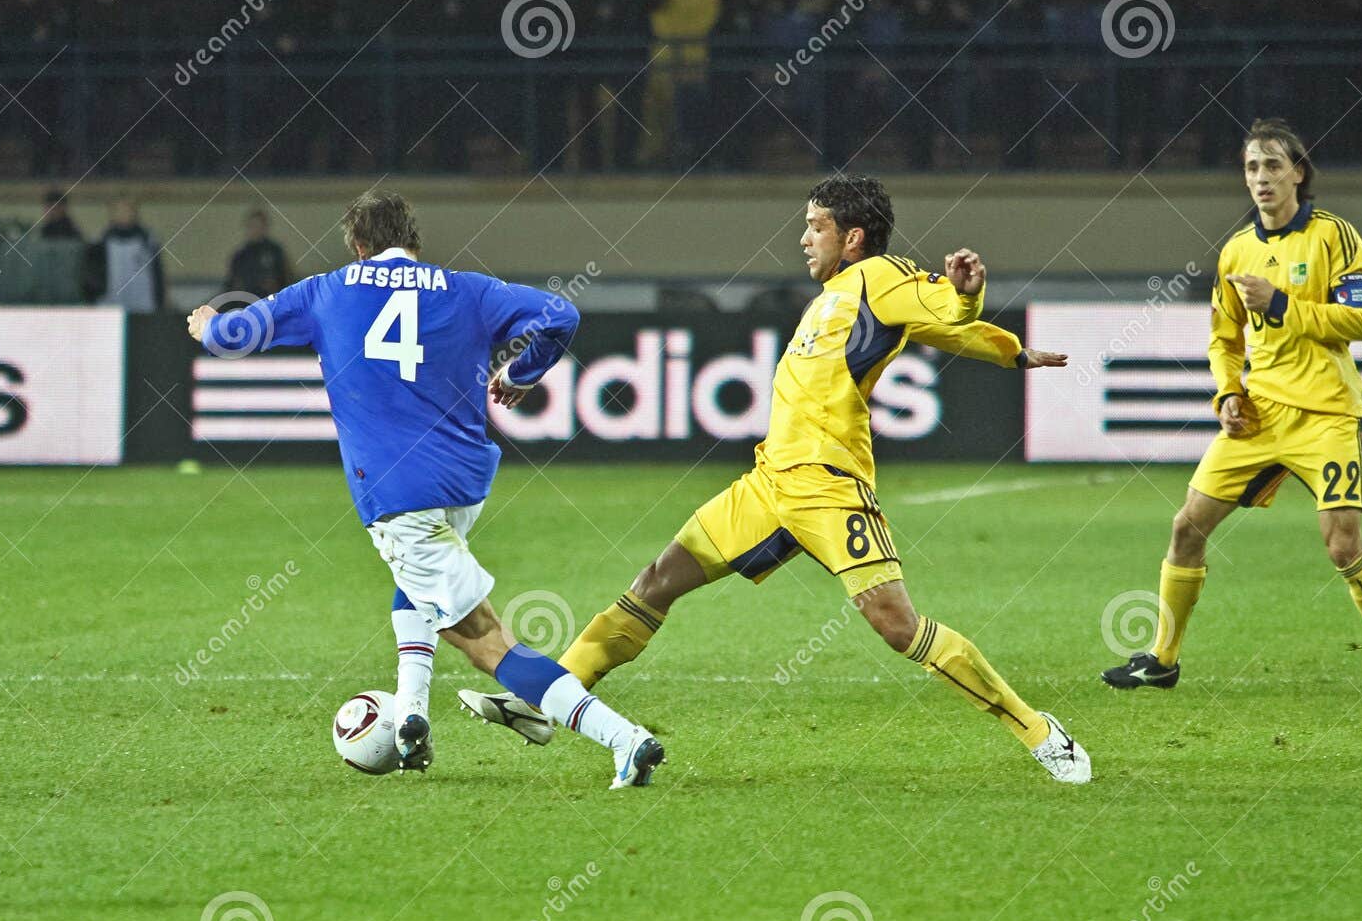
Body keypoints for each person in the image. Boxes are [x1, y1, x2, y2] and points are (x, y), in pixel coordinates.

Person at [463, 175, 1091, 785]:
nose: (804, 239)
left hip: (828, 485)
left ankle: (1039, 731)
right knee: (655, 582)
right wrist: (1011, 350)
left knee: (898, 626)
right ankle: (545, 704)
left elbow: (947, 309)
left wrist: (969, 296)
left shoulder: (883, 275)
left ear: (853, 236)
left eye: (816, 227)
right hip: (767, 484)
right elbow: (946, 332)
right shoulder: (838, 294)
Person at [184, 190, 665, 788]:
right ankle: (411, 715)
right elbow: (561, 315)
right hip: (464, 482)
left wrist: (207, 325)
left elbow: (233, 335)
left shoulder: (327, 291)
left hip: (397, 492)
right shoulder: (467, 290)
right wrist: (521, 371)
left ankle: (624, 739)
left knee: (486, 642)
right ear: (413, 240)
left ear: (358, 246)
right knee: (415, 584)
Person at [1101, 118, 1362, 695]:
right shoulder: (1236, 251)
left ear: (1299, 173)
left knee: (1343, 545)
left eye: (1273, 165)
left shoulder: (1334, 236)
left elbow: (1358, 321)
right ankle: (1163, 659)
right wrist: (1227, 392)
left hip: (1326, 416)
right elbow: (1224, 339)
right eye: (1252, 167)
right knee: (1186, 528)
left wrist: (1280, 303)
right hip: (1260, 417)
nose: (1261, 177)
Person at [98, 198, 165, 313]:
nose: (124, 215)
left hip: (142, 303)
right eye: (119, 211)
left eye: (127, 211)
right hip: (112, 301)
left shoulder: (147, 240)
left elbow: (157, 271)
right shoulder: (104, 241)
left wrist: (161, 299)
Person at [224, 209, 291, 299]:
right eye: (252, 226)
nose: (256, 230)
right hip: (245, 301)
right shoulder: (240, 255)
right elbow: (232, 283)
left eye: (259, 226)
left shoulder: (275, 252)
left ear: (265, 228)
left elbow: (285, 278)